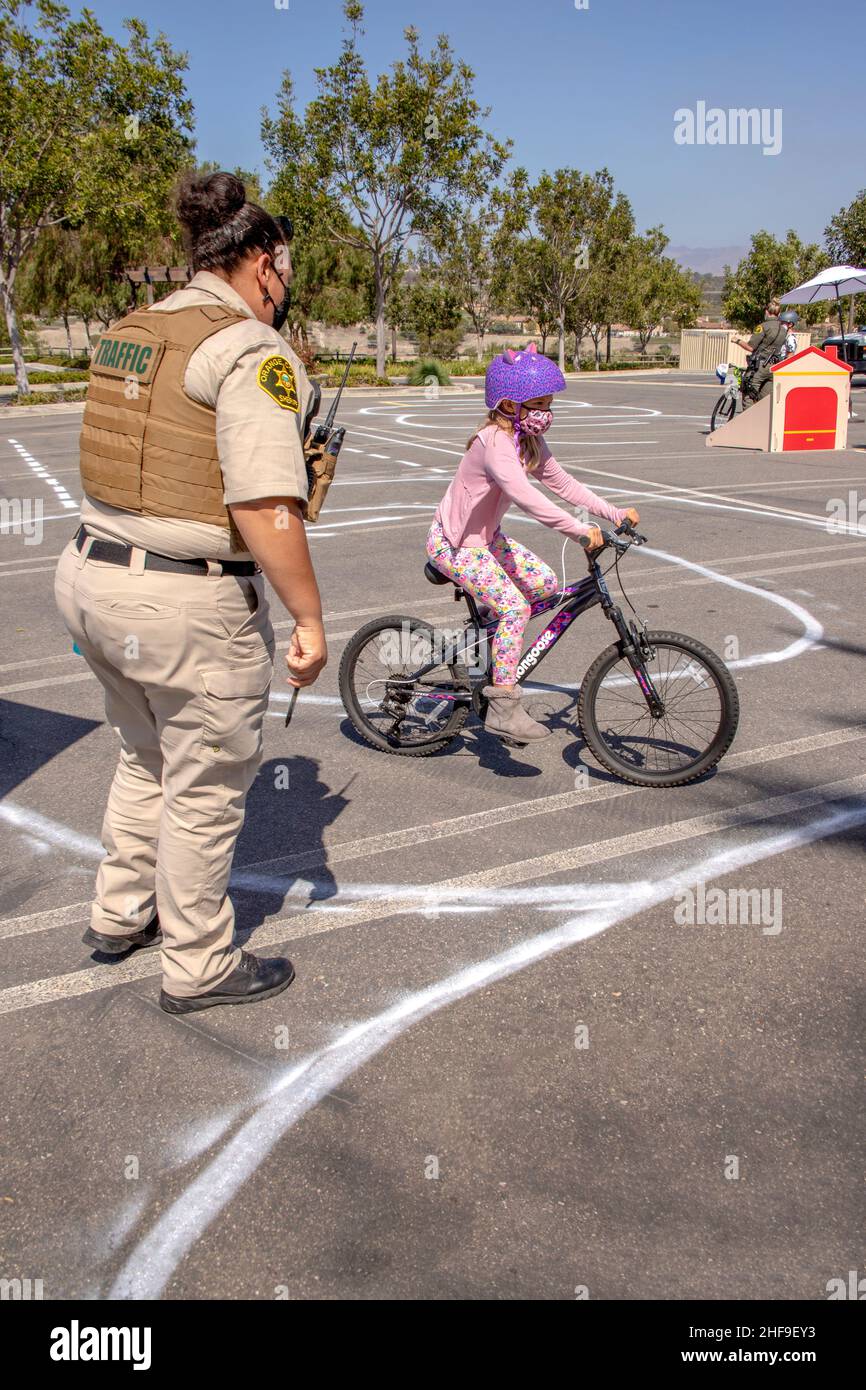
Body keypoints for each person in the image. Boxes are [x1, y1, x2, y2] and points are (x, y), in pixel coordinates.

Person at [54, 171, 327, 1015]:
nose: (285, 292)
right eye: (285, 273)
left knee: (144, 757)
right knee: (205, 787)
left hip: (92, 575)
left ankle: (119, 913)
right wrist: (309, 618)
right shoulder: (247, 347)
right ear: (263, 261)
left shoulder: (136, 327)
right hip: (182, 600)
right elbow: (264, 504)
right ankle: (198, 963)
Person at [426, 344, 639, 742]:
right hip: (454, 545)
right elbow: (526, 496)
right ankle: (503, 705)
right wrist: (577, 531)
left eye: (549, 403)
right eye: (538, 403)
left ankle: (488, 645)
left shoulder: (528, 442)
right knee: (515, 608)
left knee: (546, 586)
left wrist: (613, 512)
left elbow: (563, 483)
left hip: (486, 540)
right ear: (508, 405)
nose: (547, 412)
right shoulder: (495, 444)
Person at [732, 298, 788, 404]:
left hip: (759, 366)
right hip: (773, 367)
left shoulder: (763, 327)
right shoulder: (783, 330)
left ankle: (749, 419)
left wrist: (737, 341)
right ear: (779, 313)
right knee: (766, 400)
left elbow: (750, 347)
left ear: (766, 312)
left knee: (749, 394)